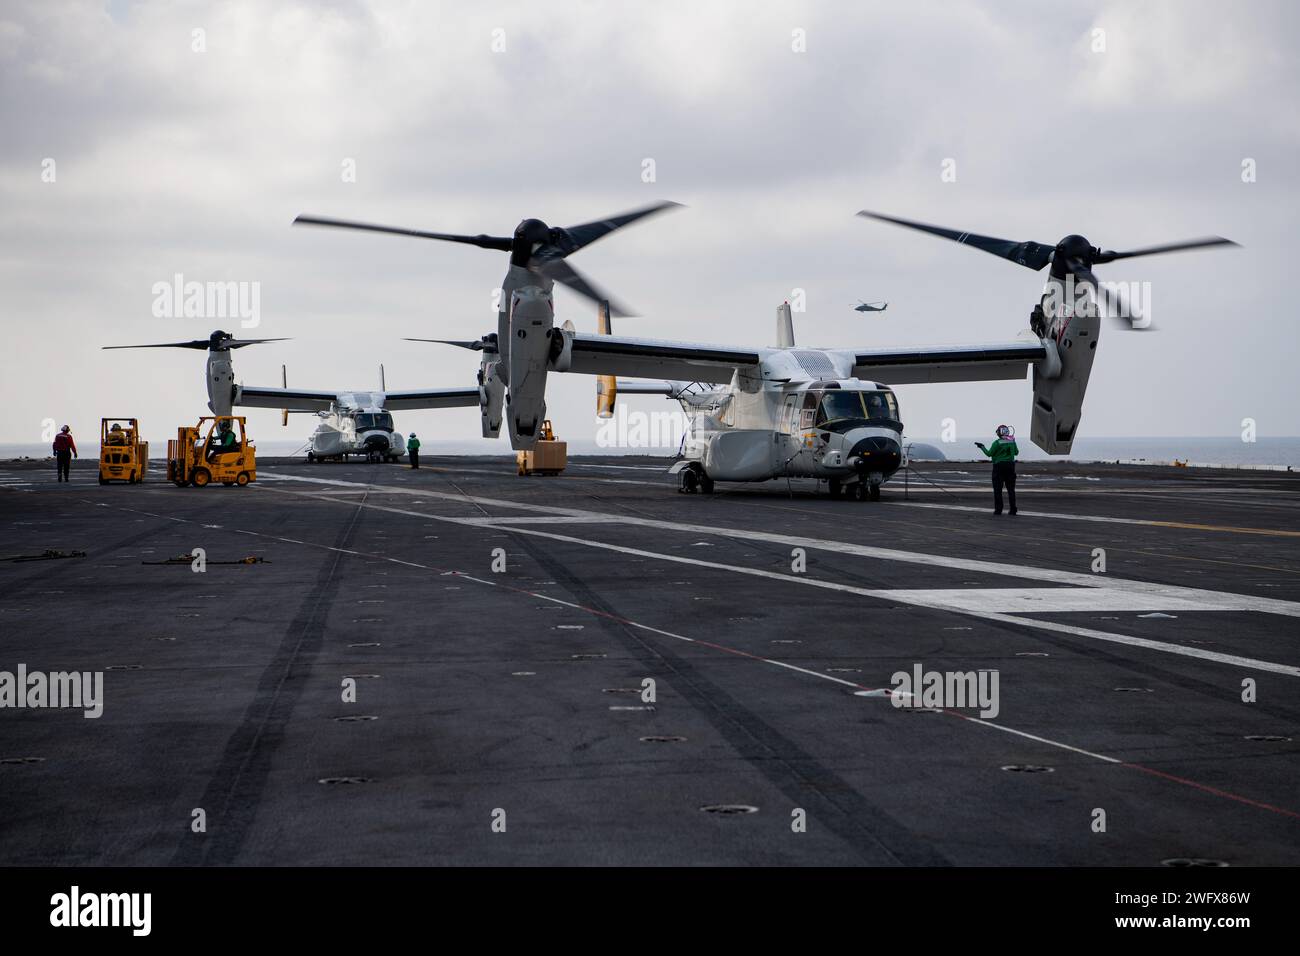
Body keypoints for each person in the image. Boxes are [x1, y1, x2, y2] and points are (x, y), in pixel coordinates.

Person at [975, 425, 1018, 515]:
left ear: (1000, 432)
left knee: (998, 489)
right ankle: (1013, 509)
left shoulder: (997, 443)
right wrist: (1013, 442)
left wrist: (982, 447)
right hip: (1010, 466)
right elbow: (1016, 452)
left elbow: (989, 454)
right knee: (1011, 489)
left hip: (999, 467)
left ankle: (999, 509)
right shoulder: (1012, 441)